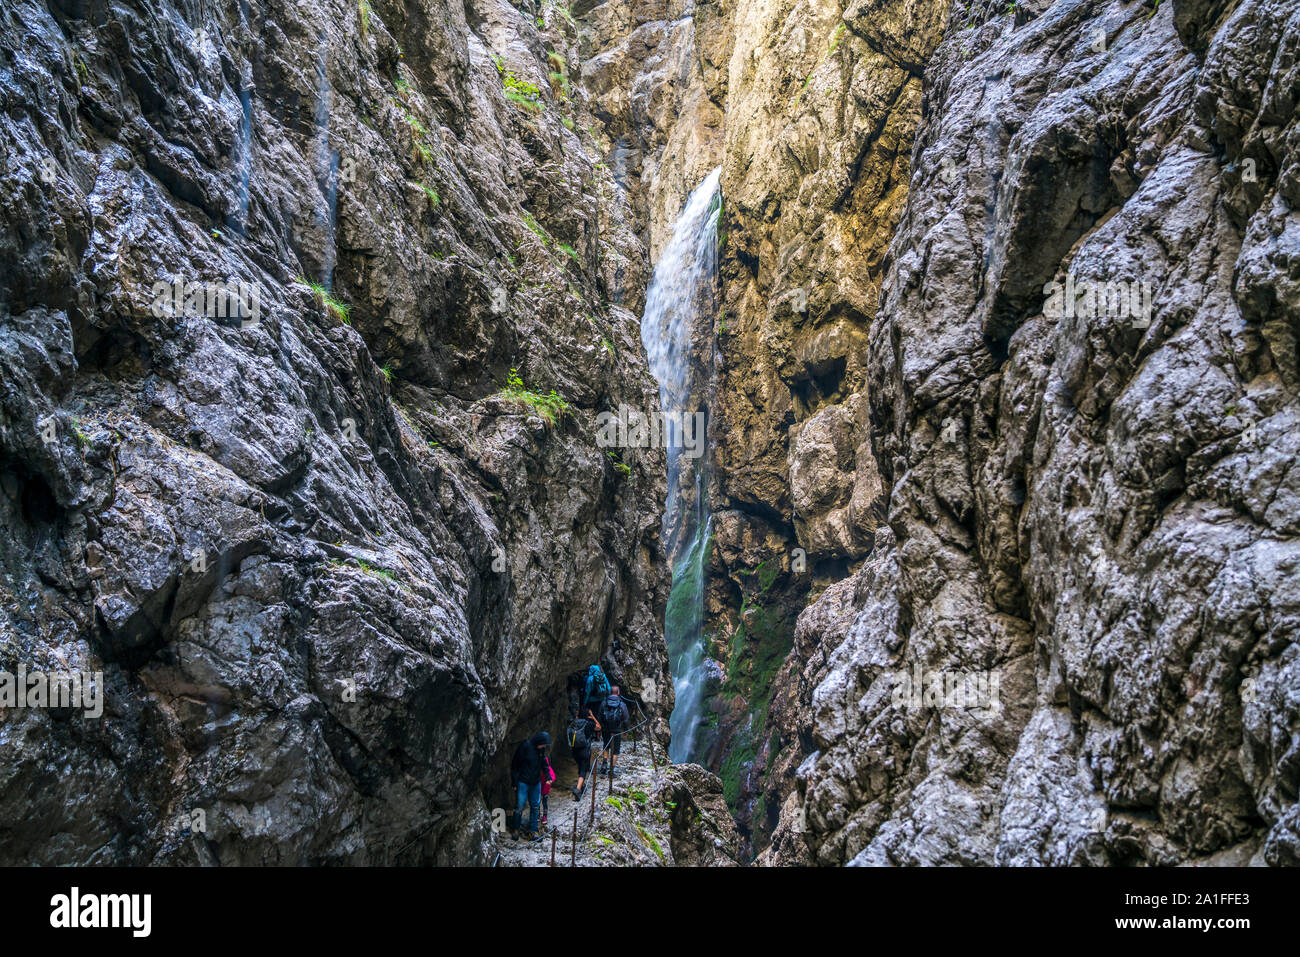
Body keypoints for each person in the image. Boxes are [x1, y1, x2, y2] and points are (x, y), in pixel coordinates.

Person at [510, 732, 549, 841]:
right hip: (523, 781)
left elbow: (543, 763)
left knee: (535, 806)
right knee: (520, 805)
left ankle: (533, 830)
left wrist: (548, 776)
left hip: (536, 782)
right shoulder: (525, 746)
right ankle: (516, 829)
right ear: (539, 742)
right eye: (544, 744)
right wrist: (514, 782)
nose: (544, 747)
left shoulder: (541, 750)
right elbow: (515, 765)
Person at [567, 708, 601, 800]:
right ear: (587, 715)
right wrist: (592, 716)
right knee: (583, 769)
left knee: (580, 766)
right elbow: (599, 727)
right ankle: (578, 789)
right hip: (584, 750)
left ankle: (580, 784)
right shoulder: (588, 724)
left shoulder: (573, 723)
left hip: (574, 750)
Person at [598, 685, 631, 777]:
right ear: (618, 693)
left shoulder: (604, 703)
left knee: (606, 745)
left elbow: (600, 716)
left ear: (610, 692)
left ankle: (604, 764)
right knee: (615, 750)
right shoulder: (622, 704)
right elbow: (626, 718)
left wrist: (599, 729)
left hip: (606, 728)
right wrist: (626, 730)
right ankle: (611, 770)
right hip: (617, 729)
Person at [540, 751, 556, 827]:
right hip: (539, 787)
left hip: (546, 788)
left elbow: (553, 776)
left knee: (544, 802)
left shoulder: (548, 769)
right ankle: (537, 815)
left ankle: (544, 816)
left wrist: (550, 781)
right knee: (537, 802)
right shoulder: (539, 769)